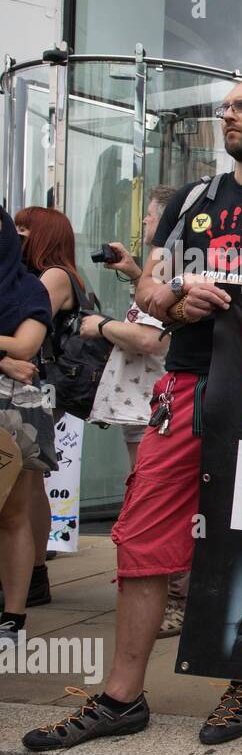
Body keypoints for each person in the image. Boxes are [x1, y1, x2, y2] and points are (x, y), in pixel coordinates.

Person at [21, 78, 242, 752]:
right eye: (225, 106)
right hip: (185, 385)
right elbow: (153, 286)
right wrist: (175, 300)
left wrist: (212, 292)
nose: (229, 115)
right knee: (143, 535)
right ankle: (121, 698)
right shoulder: (193, 201)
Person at [87, 185, 191, 638]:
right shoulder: (158, 271)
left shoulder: (175, 269)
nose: (145, 226)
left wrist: (102, 326)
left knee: (157, 509)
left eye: (150, 218)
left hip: (160, 409)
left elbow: (153, 338)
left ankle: (176, 602)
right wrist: (133, 273)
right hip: (147, 408)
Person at [9, 206, 88, 608]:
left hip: (35, 384)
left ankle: (34, 571)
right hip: (34, 383)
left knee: (27, 481)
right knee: (31, 480)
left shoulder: (53, 277)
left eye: (25, 228)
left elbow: (31, 328)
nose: (18, 235)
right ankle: (33, 572)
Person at [0, 206, 56, 645]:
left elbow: (26, 345)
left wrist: (9, 356)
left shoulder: (27, 289)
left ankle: (13, 616)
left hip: (13, 411)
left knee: (13, 514)